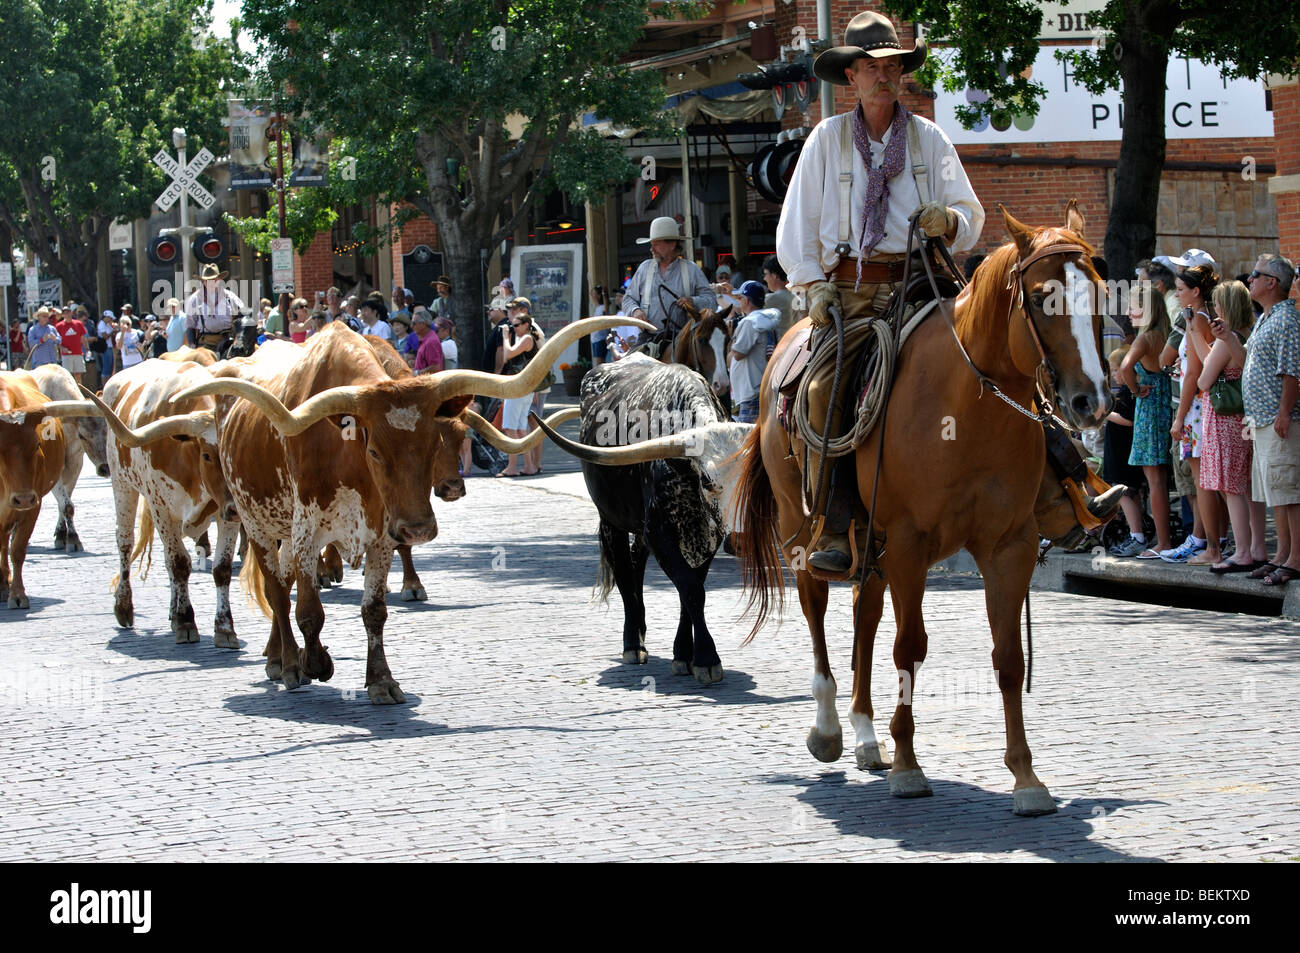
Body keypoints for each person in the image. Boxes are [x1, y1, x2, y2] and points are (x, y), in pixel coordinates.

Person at [774, 9, 984, 573]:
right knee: (822, 391)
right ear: (851, 78)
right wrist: (813, 285)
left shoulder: (930, 138)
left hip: (923, 285)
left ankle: (1060, 490)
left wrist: (950, 222)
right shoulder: (826, 139)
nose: (882, 75)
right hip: (850, 292)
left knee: (994, 357)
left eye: (890, 64)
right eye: (870, 67)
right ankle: (837, 522)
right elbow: (797, 225)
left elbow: (972, 215)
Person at [1216, 254, 1300, 586]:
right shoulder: (1267, 318)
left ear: (1272, 283)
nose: (1249, 280)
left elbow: (1292, 372)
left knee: (1290, 491)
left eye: (1256, 275)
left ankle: (1295, 559)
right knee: (1275, 492)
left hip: (1280, 420)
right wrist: (1227, 338)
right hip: (1261, 420)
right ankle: (1282, 555)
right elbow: (1245, 360)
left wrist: (1283, 412)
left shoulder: (1286, 320)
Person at [1197, 279, 1264, 573]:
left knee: (1232, 487)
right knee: (1250, 487)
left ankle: (1242, 551)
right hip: (1246, 417)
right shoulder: (1250, 333)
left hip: (1225, 419)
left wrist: (1194, 335)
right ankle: (1259, 548)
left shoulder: (1227, 340)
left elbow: (1202, 380)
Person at [1165, 263, 1221, 564]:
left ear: (1196, 291)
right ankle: (1212, 543)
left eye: (1181, 289)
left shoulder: (1198, 319)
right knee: (1204, 482)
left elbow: (1193, 375)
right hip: (1199, 407)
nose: (1177, 293)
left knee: (1203, 484)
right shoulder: (1198, 317)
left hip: (1195, 410)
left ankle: (1212, 547)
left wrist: (1179, 416)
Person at [1118, 284, 1174, 558]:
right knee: (1164, 479)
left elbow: (1125, 367)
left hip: (1150, 409)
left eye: (1133, 306)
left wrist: (1134, 389)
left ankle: (1163, 542)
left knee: (1155, 481)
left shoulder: (1146, 338)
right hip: (1167, 405)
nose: (1129, 312)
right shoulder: (1167, 333)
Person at [618, 216, 716, 351]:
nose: (652, 249)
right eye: (651, 244)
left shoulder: (691, 270)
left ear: (672, 244)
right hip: (648, 337)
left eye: (656, 244)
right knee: (628, 368)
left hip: (683, 340)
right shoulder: (644, 268)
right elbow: (628, 299)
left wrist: (693, 301)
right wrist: (636, 311)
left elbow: (711, 301)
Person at [1103, 347, 1151, 557]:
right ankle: (1137, 530)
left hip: (1123, 454)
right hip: (1120, 452)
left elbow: (1128, 420)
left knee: (1122, 493)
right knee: (1130, 493)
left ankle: (1137, 535)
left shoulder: (1128, 394)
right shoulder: (1125, 392)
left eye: (1116, 370)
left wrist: (1104, 413)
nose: (1114, 375)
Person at [728, 280, 782, 423]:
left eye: (740, 298)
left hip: (750, 391)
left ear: (747, 301)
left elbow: (738, 354)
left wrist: (730, 335)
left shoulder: (749, 322)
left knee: (748, 439)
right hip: (760, 387)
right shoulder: (766, 319)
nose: (739, 302)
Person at [497, 303, 541, 476]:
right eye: (512, 326)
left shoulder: (527, 339)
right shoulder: (526, 338)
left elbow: (508, 354)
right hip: (524, 387)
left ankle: (512, 466)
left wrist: (506, 337)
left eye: (516, 325)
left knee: (509, 427)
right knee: (521, 429)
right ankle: (528, 466)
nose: (513, 328)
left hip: (519, 387)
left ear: (526, 325)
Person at [184, 262, 244, 352]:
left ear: (219, 279)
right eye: (207, 281)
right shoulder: (195, 299)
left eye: (214, 280)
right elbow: (190, 326)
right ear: (203, 282)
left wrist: (238, 339)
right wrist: (192, 345)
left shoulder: (230, 297)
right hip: (205, 343)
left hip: (229, 341)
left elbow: (243, 317)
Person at [761, 255, 795, 340]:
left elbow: (745, 308)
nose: (764, 278)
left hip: (782, 347)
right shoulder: (800, 295)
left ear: (775, 275)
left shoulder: (770, 299)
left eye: (766, 274)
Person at [55, 304, 88, 385]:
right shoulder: (59, 326)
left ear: (71, 313)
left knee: (78, 374)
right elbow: (56, 341)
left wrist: (87, 349)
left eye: (68, 312)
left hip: (78, 352)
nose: (67, 314)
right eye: (64, 313)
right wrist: (61, 348)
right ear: (62, 315)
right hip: (66, 354)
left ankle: (79, 391)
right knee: (68, 375)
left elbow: (82, 337)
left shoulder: (78, 324)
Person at [412, 311, 445, 375]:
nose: (411, 326)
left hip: (427, 382)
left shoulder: (431, 342)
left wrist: (416, 373)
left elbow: (436, 367)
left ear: (423, 324)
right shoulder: (427, 339)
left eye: (414, 323)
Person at [589, 285, 610, 367]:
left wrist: (604, 294)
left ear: (598, 296)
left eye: (594, 294)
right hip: (595, 339)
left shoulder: (602, 308)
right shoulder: (596, 308)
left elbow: (606, 308)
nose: (592, 295)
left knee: (600, 364)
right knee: (597, 363)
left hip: (601, 339)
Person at [96, 309, 116, 380]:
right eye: (110, 318)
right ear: (106, 317)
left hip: (109, 347)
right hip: (105, 348)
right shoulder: (101, 324)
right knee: (106, 368)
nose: (111, 320)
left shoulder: (107, 325)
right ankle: (104, 385)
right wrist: (113, 332)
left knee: (110, 367)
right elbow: (105, 336)